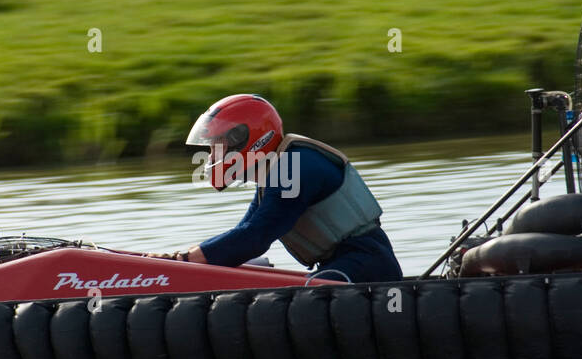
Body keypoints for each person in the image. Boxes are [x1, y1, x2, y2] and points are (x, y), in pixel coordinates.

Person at [150, 94, 402, 283]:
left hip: (366, 265)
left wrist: (182, 261)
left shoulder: (295, 167)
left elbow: (255, 238)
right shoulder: (278, 169)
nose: (214, 153)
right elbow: (244, 231)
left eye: (219, 143)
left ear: (248, 138)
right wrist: (182, 258)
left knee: (303, 300)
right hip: (346, 263)